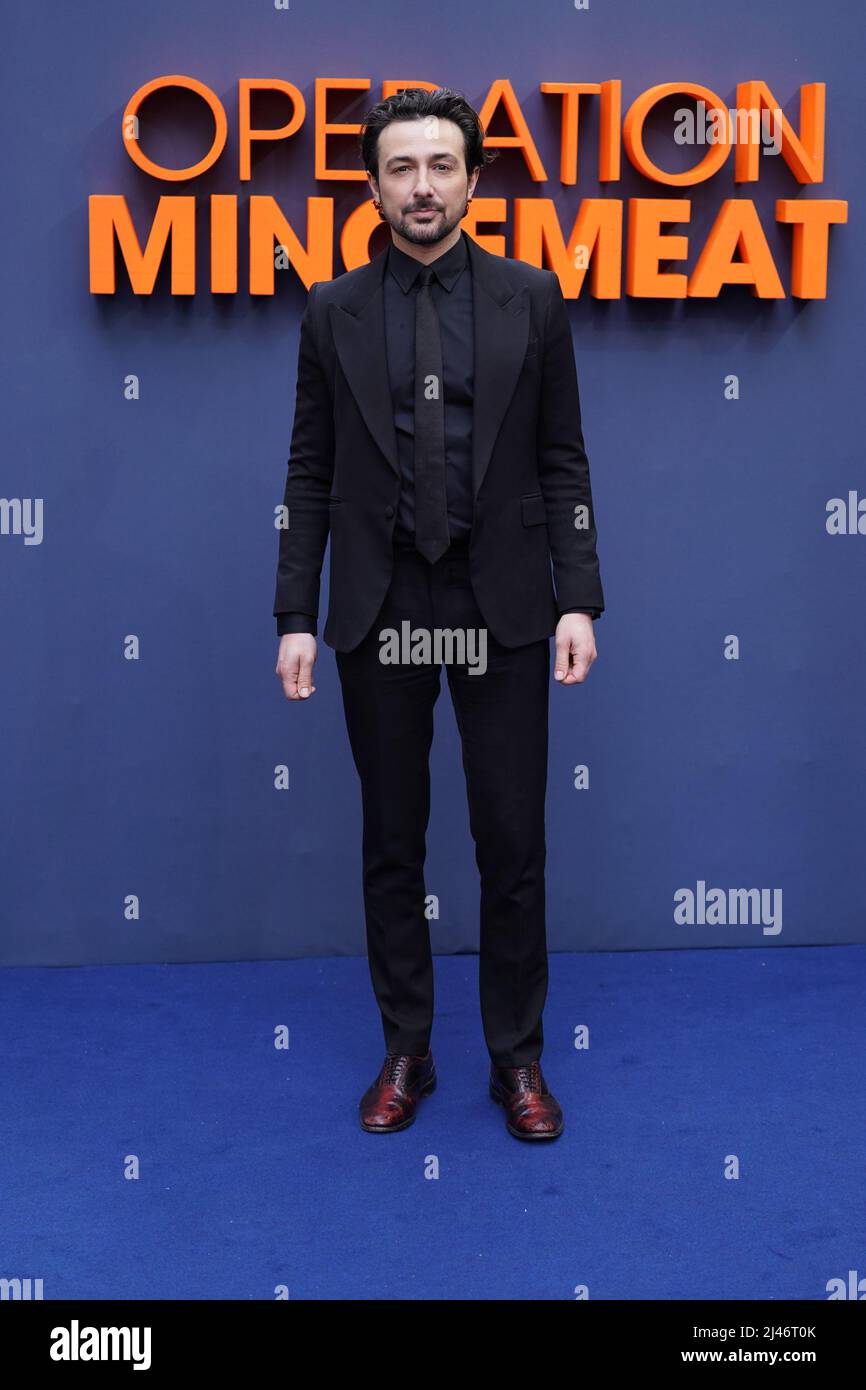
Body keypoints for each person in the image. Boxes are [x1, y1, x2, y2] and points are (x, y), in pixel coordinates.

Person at [273, 88, 605, 1141]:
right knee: (391, 841)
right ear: (372, 186)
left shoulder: (531, 299)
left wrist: (578, 596)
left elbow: (563, 459)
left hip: (501, 600)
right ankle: (405, 1051)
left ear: (472, 178)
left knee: (511, 843)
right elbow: (310, 468)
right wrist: (295, 611)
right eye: (402, 168)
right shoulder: (330, 310)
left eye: (441, 165)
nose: (422, 185)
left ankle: (517, 1061)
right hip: (380, 604)